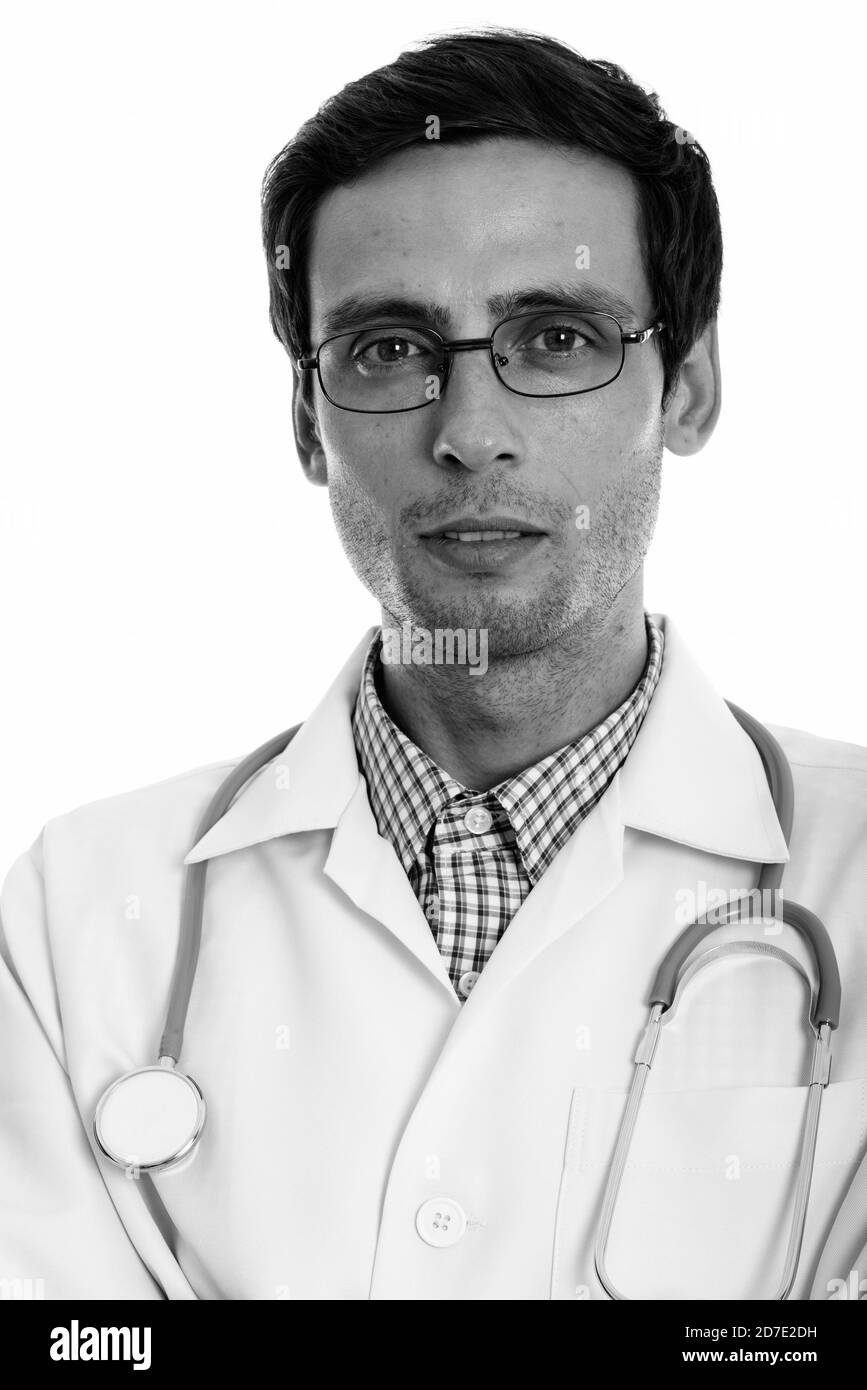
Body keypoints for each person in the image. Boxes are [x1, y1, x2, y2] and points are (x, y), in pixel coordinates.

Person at [2, 26, 866, 1302]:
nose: (469, 434)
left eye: (558, 336)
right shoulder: (79, 916)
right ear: (308, 420)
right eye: (391, 349)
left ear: (685, 385)